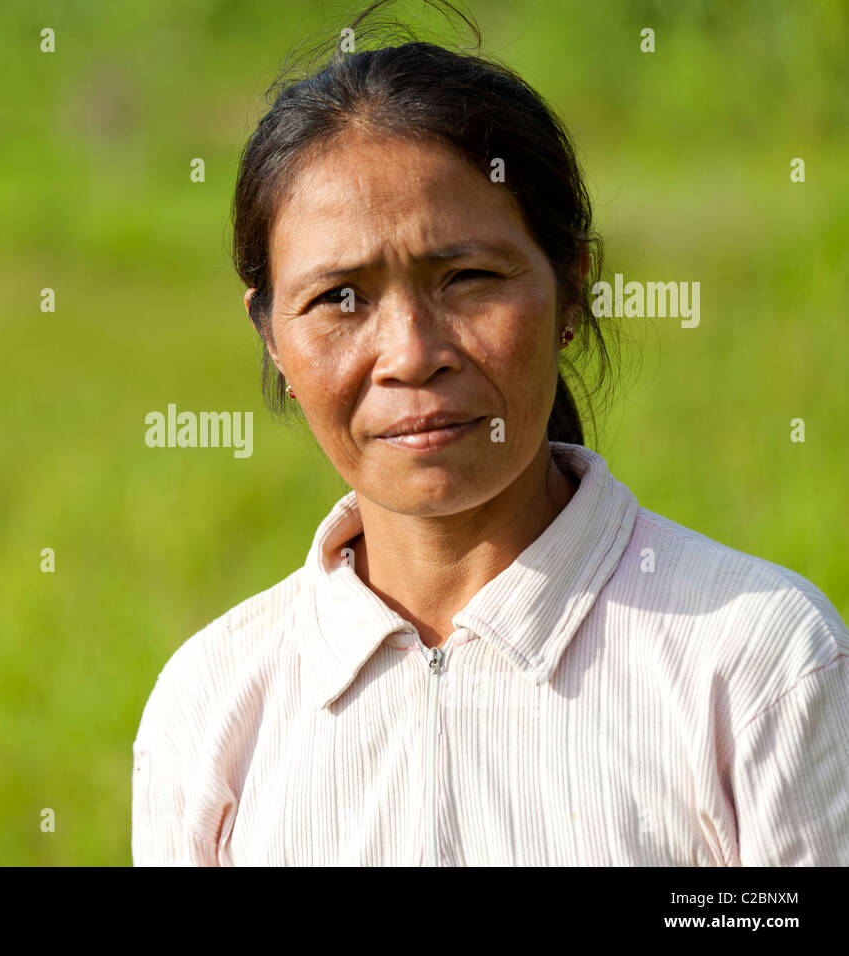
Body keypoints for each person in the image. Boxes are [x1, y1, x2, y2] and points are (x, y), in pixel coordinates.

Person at [131, 1, 849, 865]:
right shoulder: (213, 705)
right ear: (273, 335)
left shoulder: (754, 663)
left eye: (469, 277)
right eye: (338, 299)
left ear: (572, 288)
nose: (411, 355)